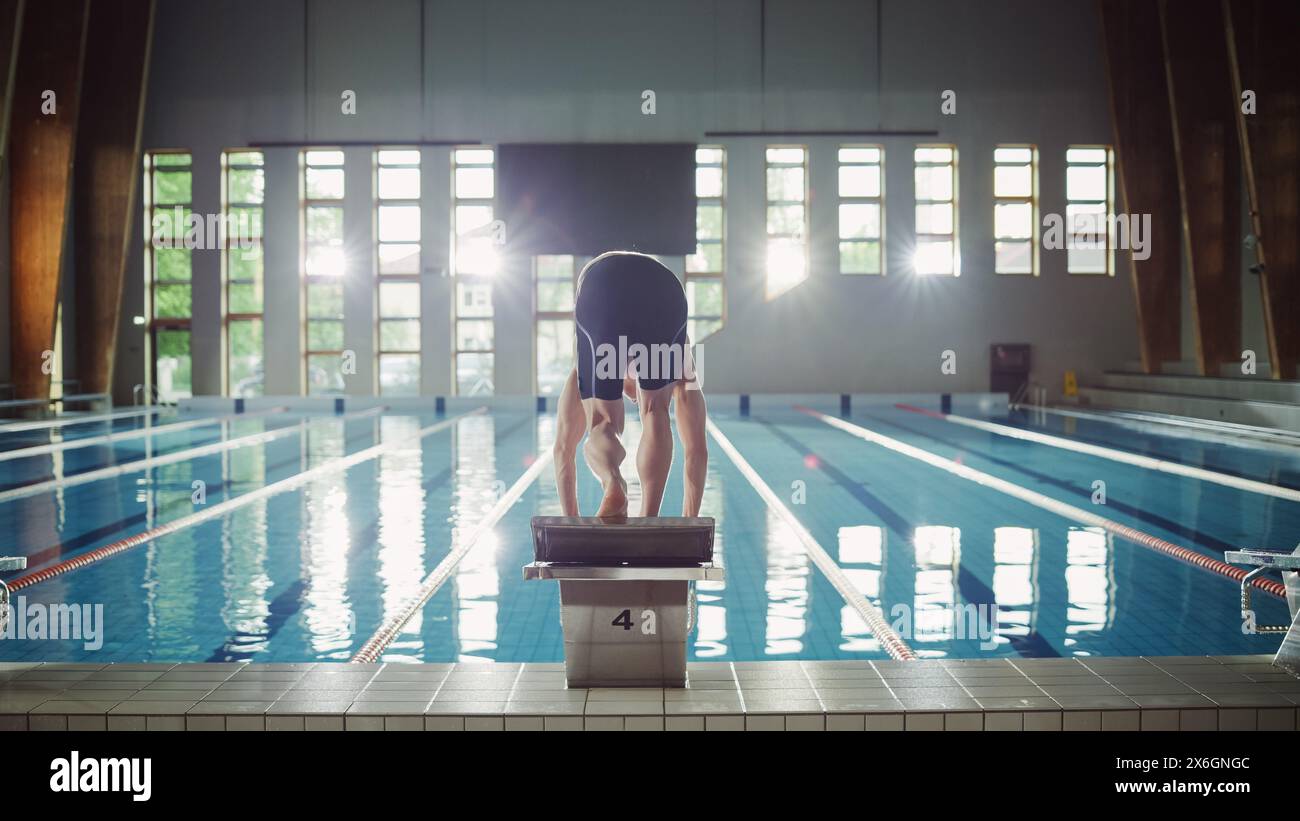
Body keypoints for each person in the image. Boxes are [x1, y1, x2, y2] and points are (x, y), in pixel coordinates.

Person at [553, 251, 708, 519]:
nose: (634, 399)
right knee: (656, 412)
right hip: (664, 290)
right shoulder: (683, 357)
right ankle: (648, 518)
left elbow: (563, 449)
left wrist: (572, 522)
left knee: (601, 422)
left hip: (600, 284)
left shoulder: (581, 366)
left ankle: (613, 482)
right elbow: (696, 448)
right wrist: (690, 521)